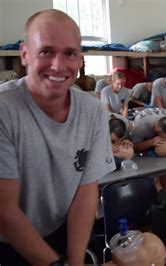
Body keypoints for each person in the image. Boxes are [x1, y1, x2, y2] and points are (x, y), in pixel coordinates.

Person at [0, 9, 115, 266]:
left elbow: (86, 194)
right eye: (46, 51)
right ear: (25, 54)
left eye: (70, 53)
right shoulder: (5, 111)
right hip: (7, 241)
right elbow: (4, 210)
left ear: (80, 59)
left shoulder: (93, 111)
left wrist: (74, 261)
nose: (58, 65)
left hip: (60, 230)